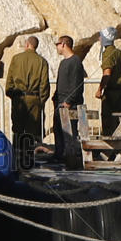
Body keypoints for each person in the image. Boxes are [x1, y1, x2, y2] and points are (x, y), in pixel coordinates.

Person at [4, 35, 50, 160]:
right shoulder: (42, 61)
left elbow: (10, 80)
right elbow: (44, 84)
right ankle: (28, 158)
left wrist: (10, 93)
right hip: (34, 98)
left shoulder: (16, 59)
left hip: (18, 98)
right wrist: (41, 100)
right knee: (31, 129)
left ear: (27, 45)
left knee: (17, 128)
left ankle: (16, 157)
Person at [52, 34, 85, 169]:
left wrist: (69, 101)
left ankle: (72, 160)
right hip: (59, 102)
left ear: (64, 44)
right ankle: (60, 156)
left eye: (58, 44)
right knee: (58, 130)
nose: (57, 47)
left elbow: (77, 84)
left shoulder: (75, 61)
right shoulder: (63, 62)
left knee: (70, 133)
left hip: (69, 104)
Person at [96, 27, 121, 138]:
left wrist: (99, 89)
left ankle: (110, 153)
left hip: (111, 94)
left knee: (108, 124)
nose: (99, 39)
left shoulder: (108, 53)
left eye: (100, 36)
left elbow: (107, 74)